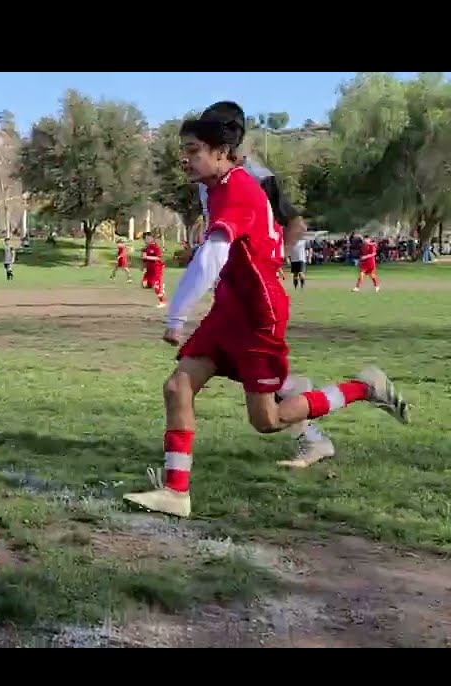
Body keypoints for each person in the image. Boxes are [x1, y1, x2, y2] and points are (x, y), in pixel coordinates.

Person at [123, 102, 410, 519]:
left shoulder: (244, 185)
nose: (185, 159)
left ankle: (363, 388)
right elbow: (216, 249)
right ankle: (175, 492)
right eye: (184, 150)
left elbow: (220, 253)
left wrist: (178, 314)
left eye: (194, 150)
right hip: (229, 307)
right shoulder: (215, 184)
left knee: (267, 420)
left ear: (223, 149)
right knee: (177, 387)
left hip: (258, 314)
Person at [175, 102, 336, 471]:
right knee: (201, 376)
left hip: (256, 293)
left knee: (260, 397)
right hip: (232, 291)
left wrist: (271, 264)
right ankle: (305, 418)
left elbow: (295, 224)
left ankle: (316, 416)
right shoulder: (211, 178)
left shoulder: (255, 177)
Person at [141, 232, 166, 307]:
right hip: (149, 269)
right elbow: (144, 259)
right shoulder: (146, 248)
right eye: (145, 238)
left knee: (156, 287)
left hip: (156, 269)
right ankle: (161, 287)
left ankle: (162, 302)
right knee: (144, 284)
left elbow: (159, 258)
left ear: (152, 238)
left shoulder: (156, 247)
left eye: (147, 238)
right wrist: (144, 267)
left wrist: (147, 257)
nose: (146, 240)